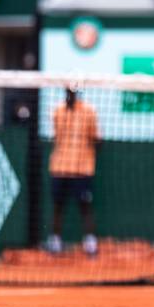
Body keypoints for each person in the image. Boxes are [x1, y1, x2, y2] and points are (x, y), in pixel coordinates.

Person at [46, 86, 101, 257]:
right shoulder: (58, 112)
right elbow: (55, 138)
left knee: (85, 207)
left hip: (82, 169)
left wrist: (85, 156)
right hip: (60, 167)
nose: (70, 94)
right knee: (58, 206)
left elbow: (96, 139)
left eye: (73, 91)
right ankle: (55, 241)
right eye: (67, 91)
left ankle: (90, 243)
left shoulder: (88, 112)